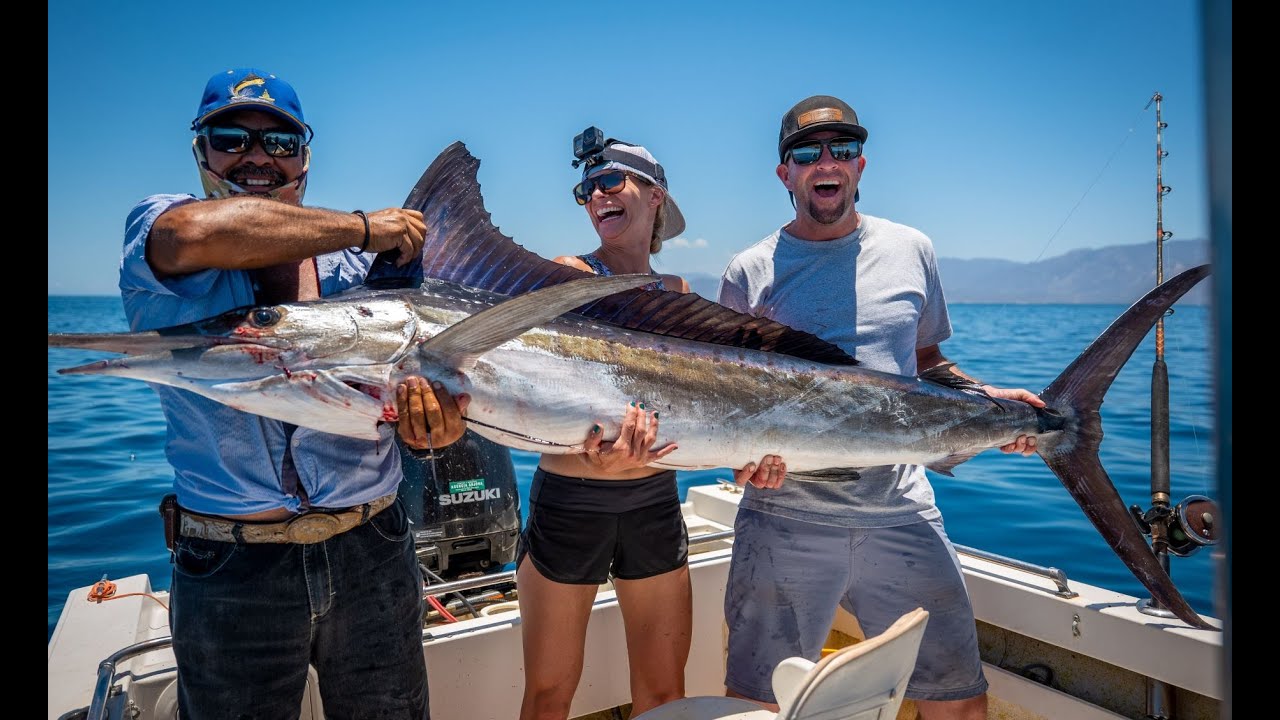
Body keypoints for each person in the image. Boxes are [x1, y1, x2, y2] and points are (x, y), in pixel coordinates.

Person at [120, 67, 466, 719]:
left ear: (305, 158)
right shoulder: (161, 230)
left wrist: (437, 430)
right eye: (231, 138)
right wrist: (364, 225)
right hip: (229, 566)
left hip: (374, 548)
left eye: (280, 144)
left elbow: (419, 412)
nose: (257, 157)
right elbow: (195, 235)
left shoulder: (362, 278)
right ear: (200, 152)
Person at [717, 95, 1044, 720]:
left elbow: (923, 365)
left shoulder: (911, 248)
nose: (825, 162)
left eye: (841, 148)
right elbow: (731, 402)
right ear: (784, 173)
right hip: (785, 520)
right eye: (806, 152)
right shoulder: (749, 271)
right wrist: (739, 467)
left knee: (958, 704)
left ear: (861, 165)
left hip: (900, 509)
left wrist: (987, 400)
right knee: (754, 709)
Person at [515, 135, 783, 720]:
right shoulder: (568, 274)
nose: (597, 197)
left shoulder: (678, 295)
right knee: (549, 695)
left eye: (612, 183)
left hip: (653, 502)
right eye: (587, 190)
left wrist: (745, 453)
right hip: (571, 504)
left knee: (664, 693)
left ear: (654, 194)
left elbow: (703, 409)